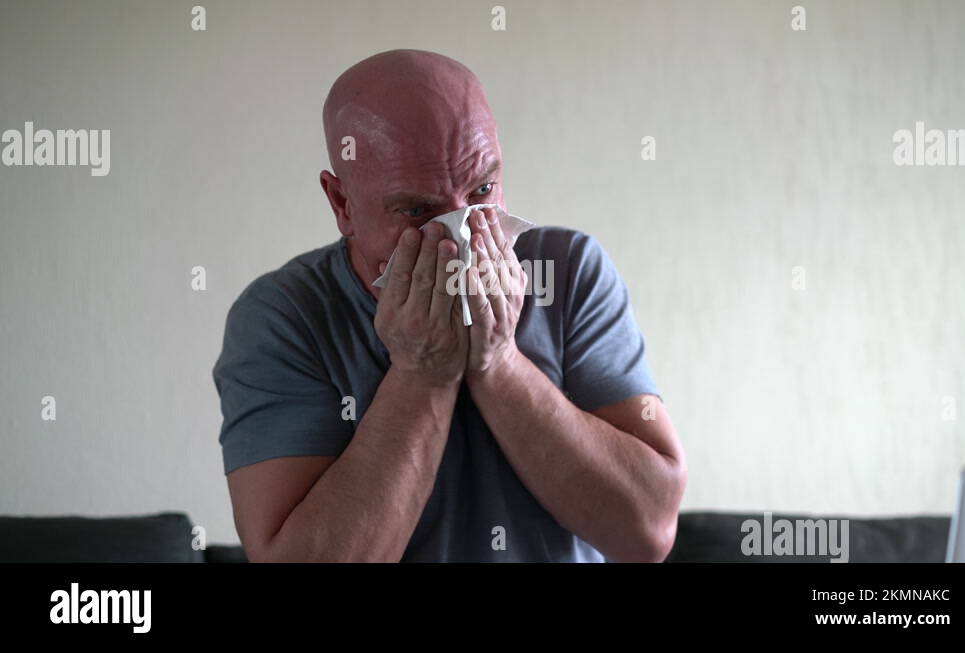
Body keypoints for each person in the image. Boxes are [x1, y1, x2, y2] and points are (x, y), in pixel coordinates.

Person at [212, 49, 687, 562]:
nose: (464, 230)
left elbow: (648, 531)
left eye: (483, 189)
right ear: (342, 203)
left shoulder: (569, 272)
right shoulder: (285, 316)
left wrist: (498, 360)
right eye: (418, 210)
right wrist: (422, 371)